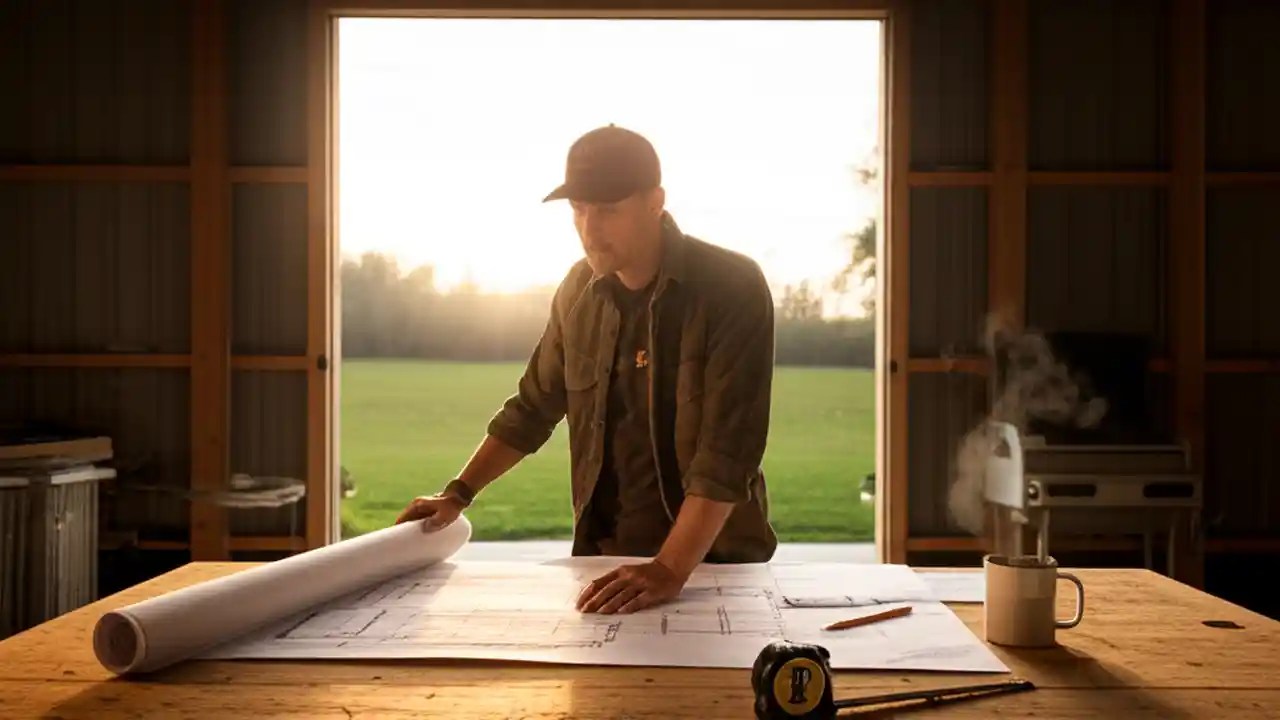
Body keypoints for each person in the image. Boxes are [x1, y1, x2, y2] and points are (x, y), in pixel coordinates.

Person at [395, 124, 778, 615]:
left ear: (655, 201)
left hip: (716, 570)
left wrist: (669, 567)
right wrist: (456, 495)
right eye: (579, 210)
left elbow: (728, 455)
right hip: (605, 567)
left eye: (608, 210)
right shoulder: (578, 289)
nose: (589, 230)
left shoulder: (732, 286)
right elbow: (533, 408)